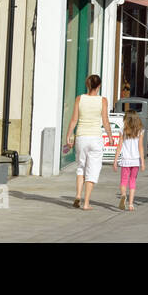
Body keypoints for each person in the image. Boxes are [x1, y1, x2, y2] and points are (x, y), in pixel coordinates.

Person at [64, 74, 113, 210]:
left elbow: (74, 119)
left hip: (81, 137)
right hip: (95, 138)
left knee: (81, 167)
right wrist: (109, 136)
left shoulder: (79, 99)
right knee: (93, 170)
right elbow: (105, 120)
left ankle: (78, 195)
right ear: (99, 86)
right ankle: (86, 203)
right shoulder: (103, 100)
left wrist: (68, 136)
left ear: (87, 85)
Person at [114, 109, 145, 211]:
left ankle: (123, 195)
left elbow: (119, 146)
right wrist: (143, 162)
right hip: (135, 160)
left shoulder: (123, 130)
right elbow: (140, 147)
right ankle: (131, 204)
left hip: (125, 160)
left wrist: (115, 161)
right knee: (132, 181)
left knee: (123, 180)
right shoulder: (140, 130)